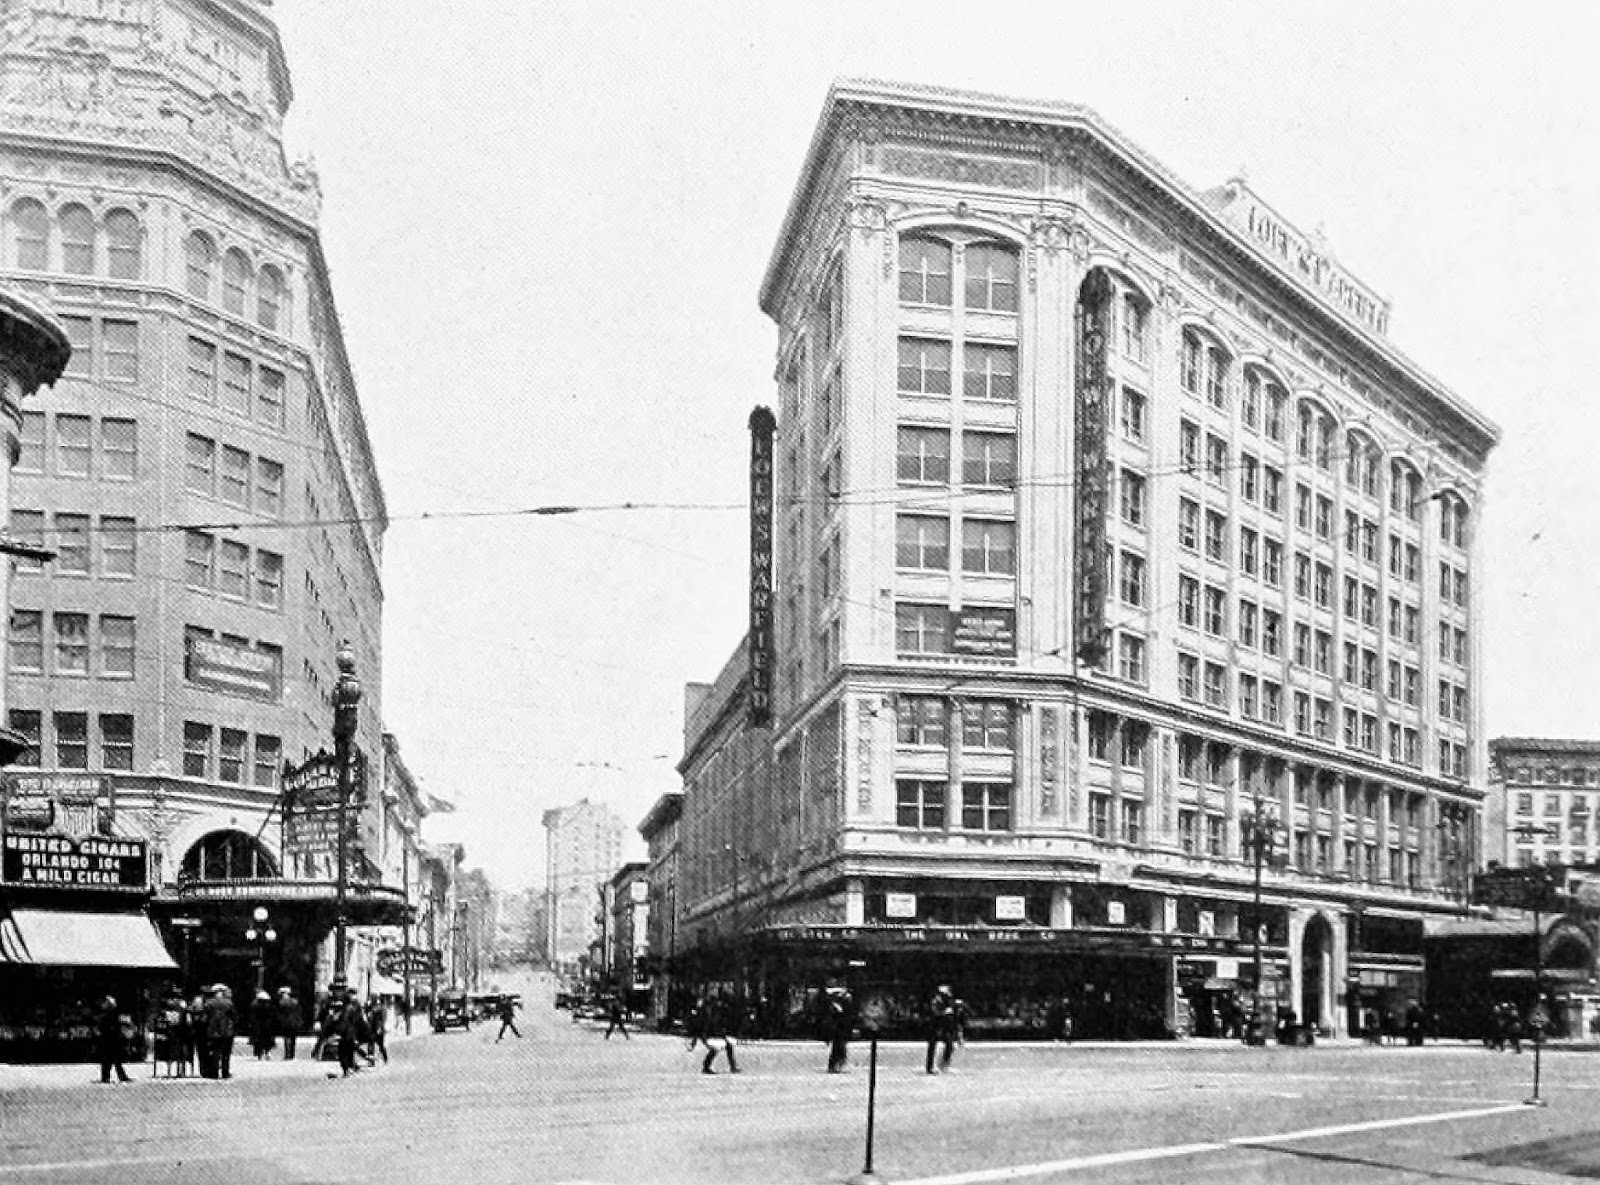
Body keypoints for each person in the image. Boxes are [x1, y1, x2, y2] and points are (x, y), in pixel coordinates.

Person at [699, 993, 739, 1075]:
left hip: (713, 1035)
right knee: (716, 1048)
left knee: (727, 1046)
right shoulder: (708, 1012)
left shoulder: (713, 1011)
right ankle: (706, 1067)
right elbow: (707, 1026)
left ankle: (732, 1066)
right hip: (708, 1036)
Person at [95, 996, 131, 1084]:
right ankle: (109, 1077)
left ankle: (108, 1077)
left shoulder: (111, 1016)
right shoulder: (108, 1016)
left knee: (113, 1060)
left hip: (112, 1039)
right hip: (109, 1039)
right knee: (110, 1060)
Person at [204, 984, 237, 1079]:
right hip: (227, 1031)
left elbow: (205, 1018)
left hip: (213, 1031)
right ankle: (225, 1072)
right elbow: (234, 1017)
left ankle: (214, 1072)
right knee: (226, 1053)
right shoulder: (229, 1003)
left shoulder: (209, 1003)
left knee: (215, 1051)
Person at [337, 989, 369, 1077]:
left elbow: (346, 1021)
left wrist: (340, 1030)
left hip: (348, 1033)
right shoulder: (352, 1006)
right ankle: (351, 1067)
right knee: (350, 1050)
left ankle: (347, 1070)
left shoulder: (350, 1007)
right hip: (350, 1032)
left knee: (343, 1052)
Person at [925, 985, 957, 1074]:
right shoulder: (936, 1001)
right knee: (932, 1045)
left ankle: (944, 1064)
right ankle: (930, 1067)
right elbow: (935, 1013)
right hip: (934, 1025)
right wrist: (945, 1012)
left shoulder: (947, 1001)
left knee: (949, 1044)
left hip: (943, 1025)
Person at [824, 986, 854, 1073]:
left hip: (841, 1030)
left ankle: (838, 1065)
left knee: (840, 1048)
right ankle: (835, 1065)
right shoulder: (834, 1007)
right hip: (838, 1030)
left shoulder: (842, 1007)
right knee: (838, 1048)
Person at [276, 988, 303, 1061]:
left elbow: (279, 1014)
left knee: (286, 1038)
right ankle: (292, 1055)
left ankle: (287, 1055)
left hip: (285, 1023)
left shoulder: (281, 1003)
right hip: (294, 1023)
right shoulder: (295, 1002)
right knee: (293, 1039)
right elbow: (299, 1012)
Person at [249, 991, 276, 1059]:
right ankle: (267, 1052)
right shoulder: (269, 1005)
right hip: (267, 1025)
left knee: (258, 1040)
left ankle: (259, 1054)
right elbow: (272, 1016)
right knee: (267, 1040)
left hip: (257, 1025)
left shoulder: (254, 1005)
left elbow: (252, 1016)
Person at [366, 999, 388, 1065]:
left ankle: (385, 1058)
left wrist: (380, 1028)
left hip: (378, 1029)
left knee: (381, 1045)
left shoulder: (381, 1008)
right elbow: (368, 1017)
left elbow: (383, 1019)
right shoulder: (370, 1007)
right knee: (370, 1045)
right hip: (372, 1029)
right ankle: (371, 1061)